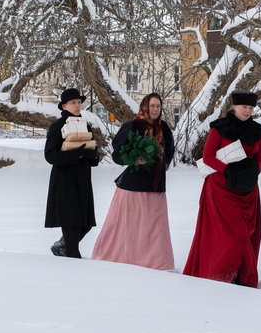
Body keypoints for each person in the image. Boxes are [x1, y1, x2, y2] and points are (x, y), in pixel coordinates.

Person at [183, 90, 261, 287]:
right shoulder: (220, 128)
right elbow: (208, 157)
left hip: (247, 191)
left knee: (244, 235)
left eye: (251, 108)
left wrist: (250, 171)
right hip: (220, 189)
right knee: (224, 236)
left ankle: (241, 274)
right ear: (234, 106)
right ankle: (219, 272)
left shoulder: (258, 131)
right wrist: (228, 170)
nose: (247, 111)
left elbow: (259, 161)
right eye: (244, 107)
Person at [91, 93, 176, 270]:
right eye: (152, 106)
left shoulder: (164, 129)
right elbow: (117, 154)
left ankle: (156, 262)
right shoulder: (133, 126)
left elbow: (170, 150)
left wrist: (166, 163)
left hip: (155, 186)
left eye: (158, 106)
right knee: (127, 226)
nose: (155, 109)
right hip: (132, 187)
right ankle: (119, 258)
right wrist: (133, 159)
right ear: (145, 107)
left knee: (154, 228)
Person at [44, 88, 101, 258]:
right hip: (65, 183)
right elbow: (50, 155)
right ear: (64, 106)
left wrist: (93, 155)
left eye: (79, 102)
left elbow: (93, 154)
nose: (77, 106)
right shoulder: (57, 126)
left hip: (83, 182)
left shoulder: (85, 125)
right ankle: (72, 263)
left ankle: (62, 246)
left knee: (86, 223)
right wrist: (77, 154)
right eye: (73, 103)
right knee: (72, 225)